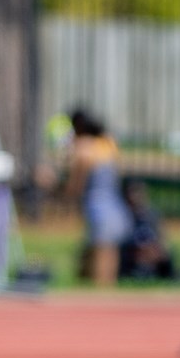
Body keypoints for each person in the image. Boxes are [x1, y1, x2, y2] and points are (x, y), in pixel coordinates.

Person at [62, 108, 131, 287]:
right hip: (115, 203)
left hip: (97, 205)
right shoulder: (108, 143)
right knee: (108, 251)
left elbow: (76, 184)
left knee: (99, 253)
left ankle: (100, 290)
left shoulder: (84, 148)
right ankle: (106, 289)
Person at [118, 177, 179, 282]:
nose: (136, 196)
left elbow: (161, 237)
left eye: (139, 192)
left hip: (151, 252)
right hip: (130, 253)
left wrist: (156, 249)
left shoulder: (151, 214)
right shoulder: (121, 214)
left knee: (167, 255)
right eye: (132, 192)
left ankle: (171, 277)